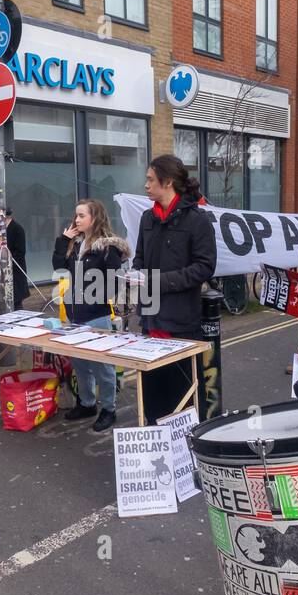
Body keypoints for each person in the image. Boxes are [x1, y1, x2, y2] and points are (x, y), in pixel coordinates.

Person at [131, 154, 216, 423]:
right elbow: (139, 258)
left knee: (183, 402)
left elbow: (204, 268)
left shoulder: (198, 220)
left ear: (167, 182)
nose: (146, 185)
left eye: (150, 179)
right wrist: (134, 274)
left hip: (181, 325)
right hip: (150, 321)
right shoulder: (147, 218)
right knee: (152, 400)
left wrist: (157, 281)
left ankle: (187, 447)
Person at [53, 199, 130, 432]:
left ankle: (108, 409)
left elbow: (115, 283)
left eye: (82, 215)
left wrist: (92, 296)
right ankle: (86, 404)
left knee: (102, 367)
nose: (76, 220)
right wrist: (63, 240)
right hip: (75, 316)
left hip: (96, 315)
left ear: (94, 218)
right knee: (80, 365)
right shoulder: (75, 244)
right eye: (76, 215)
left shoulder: (107, 247)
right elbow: (59, 267)